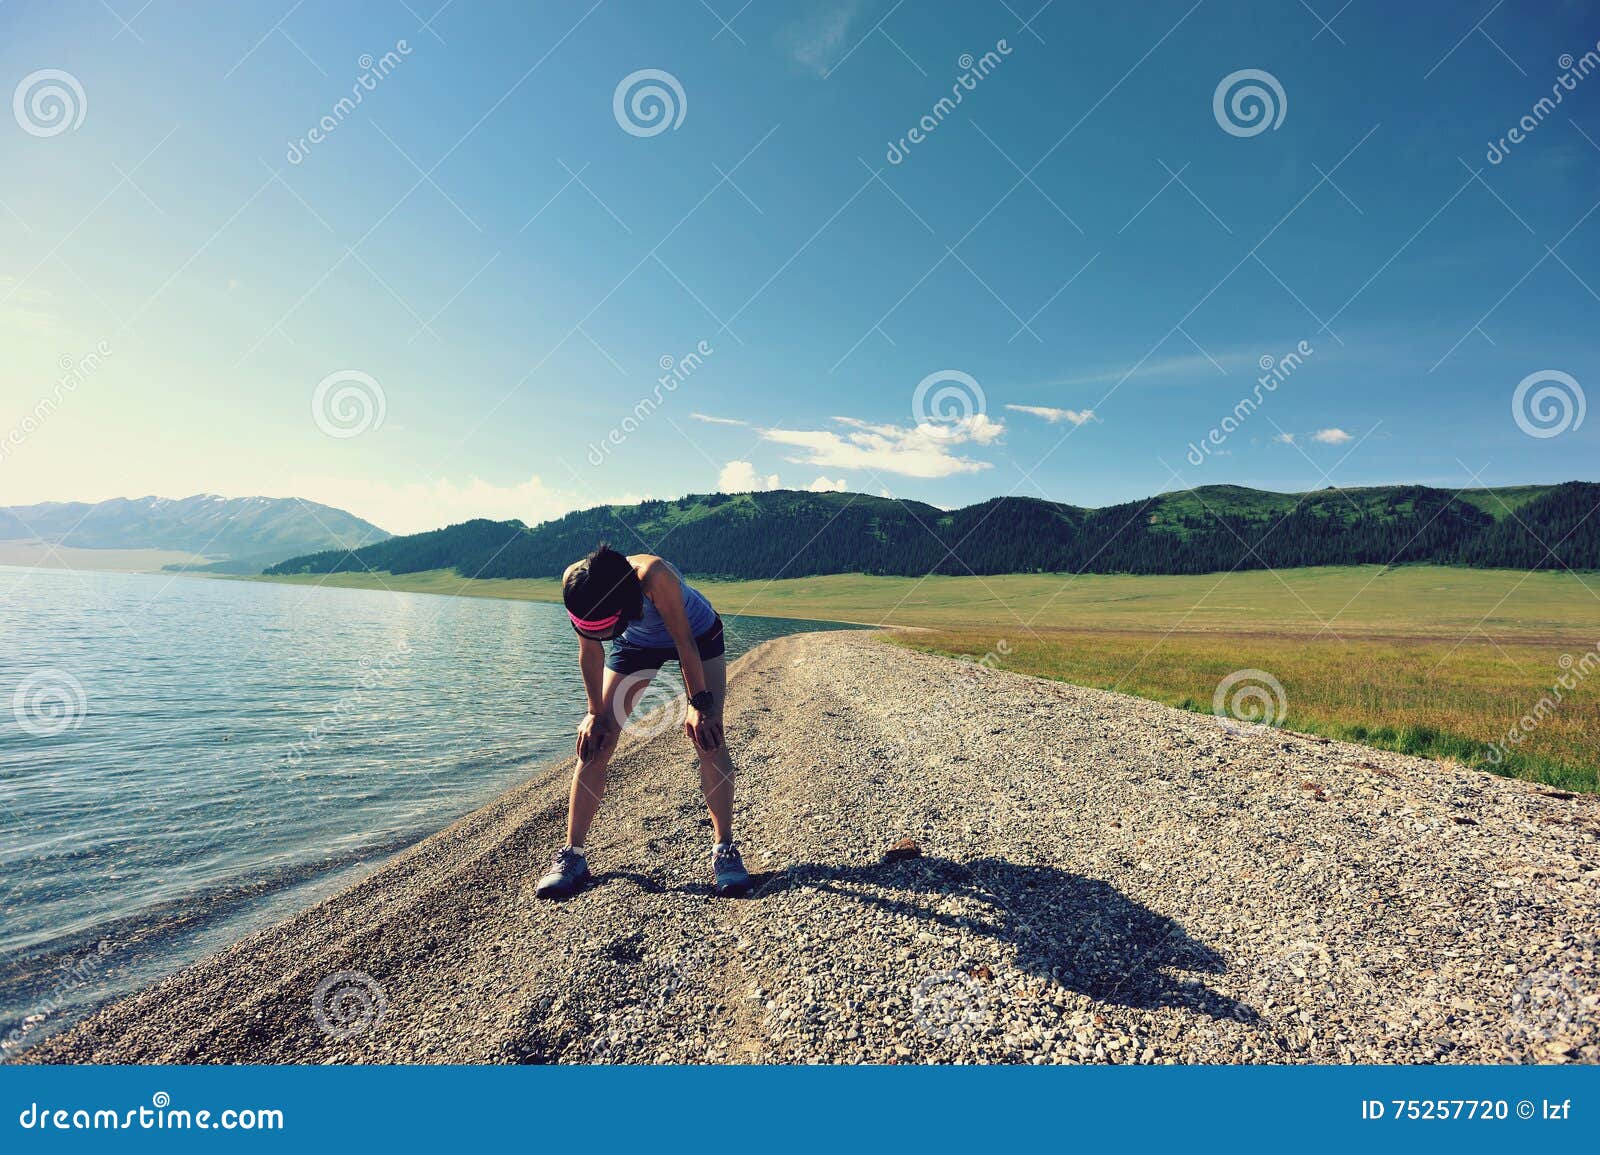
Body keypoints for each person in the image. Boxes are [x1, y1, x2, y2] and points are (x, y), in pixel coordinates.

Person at [535, 545, 750, 899]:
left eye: (609, 628)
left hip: (697, 637)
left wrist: (699, 704)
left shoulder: (655, 576)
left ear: (626, 605)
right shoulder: (577, 583)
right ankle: (573, 856)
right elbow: (590, 650)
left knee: (709, 736)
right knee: (595, 743)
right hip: (636, 645)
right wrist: (594, 713)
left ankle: (724, 849)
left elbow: (684, 644)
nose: (602, 634)